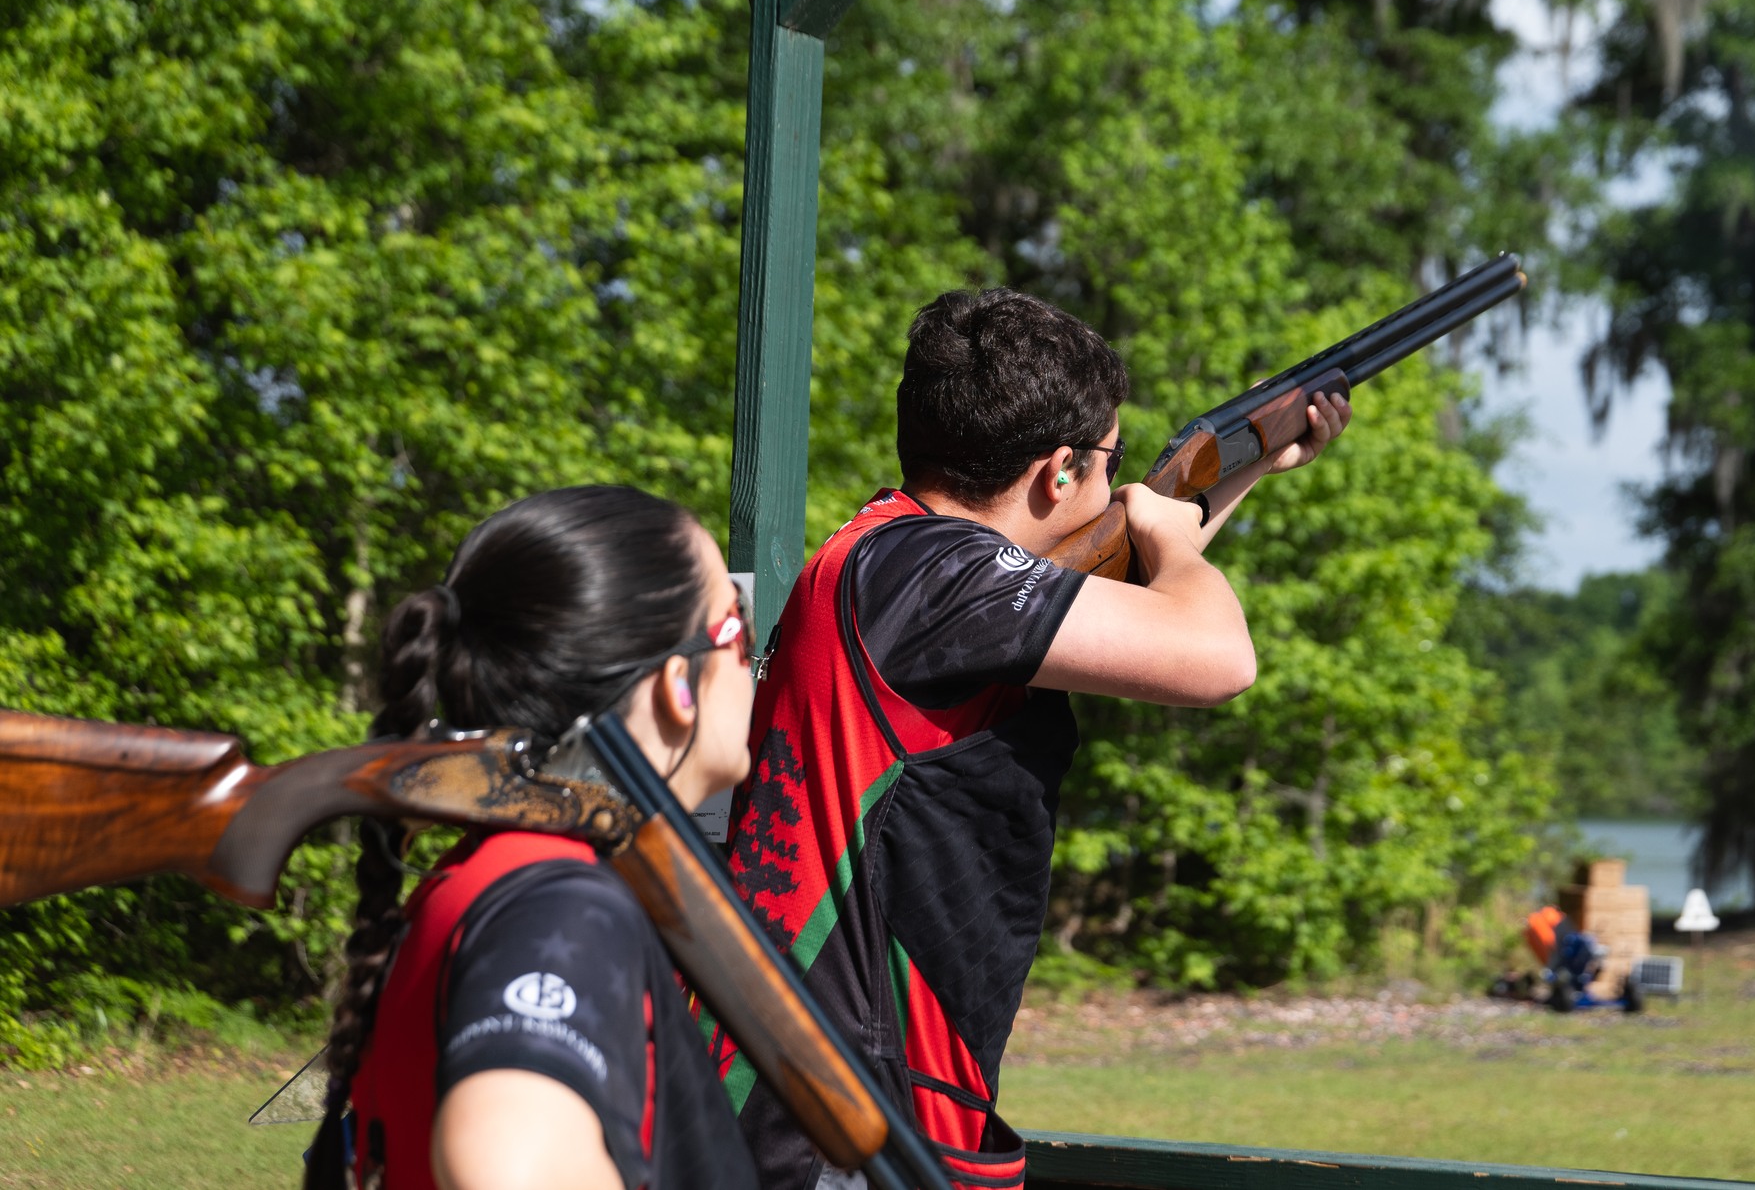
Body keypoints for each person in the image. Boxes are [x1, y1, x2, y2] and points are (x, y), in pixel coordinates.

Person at [715, 289, 1351, 1190]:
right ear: (1058, 472)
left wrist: (1241, 466)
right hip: (847, 1129)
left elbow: (1104, 596)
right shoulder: (936, 574)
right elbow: (1217, 656)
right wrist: (1177, 542)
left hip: (820, 1101)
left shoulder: (886, 555)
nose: (1119, 480)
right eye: (1110, 460)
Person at [305, 485, 760, 1190]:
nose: (753, 662)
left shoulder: (493, 871)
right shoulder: (566, 904)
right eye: (739, 627)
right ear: (680, 683)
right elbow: (502, 1161)